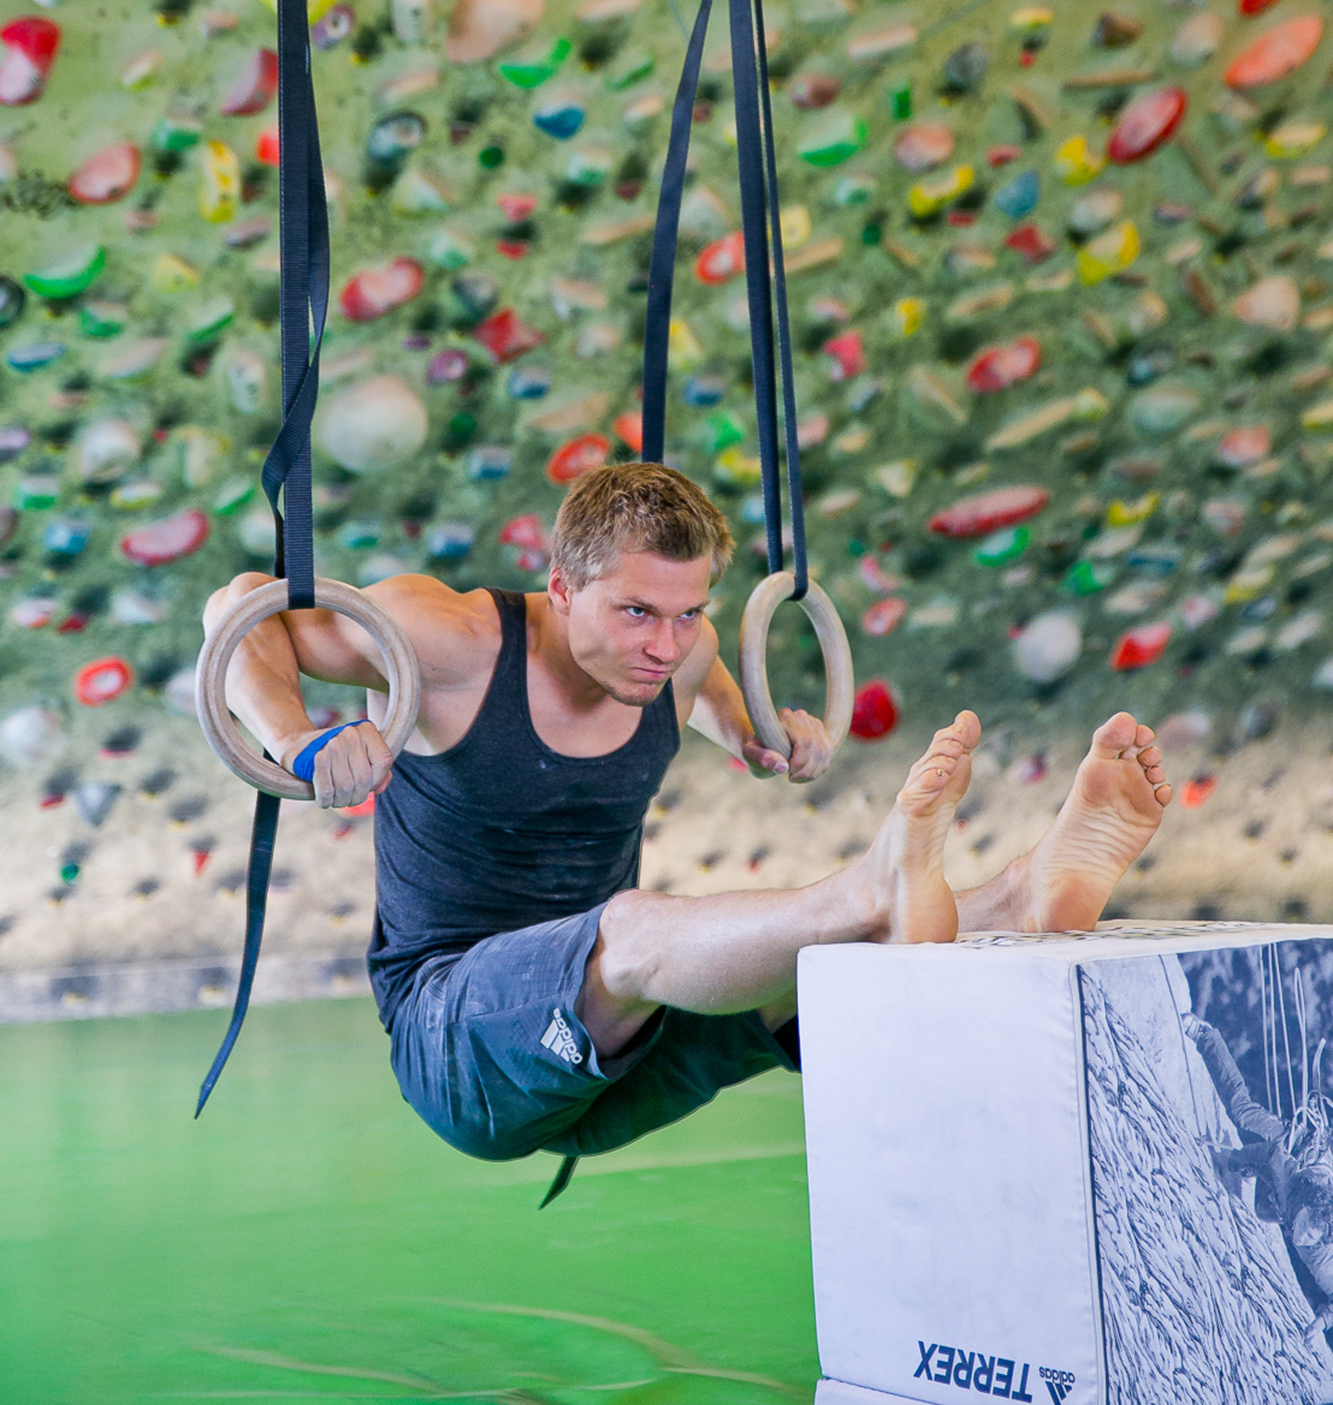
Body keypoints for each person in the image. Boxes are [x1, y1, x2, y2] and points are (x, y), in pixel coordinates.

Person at [203, 462, 1173, 1185]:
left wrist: (759, 727)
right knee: (632, 926)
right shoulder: (451, 640)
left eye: (685, 611)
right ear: (562, 588)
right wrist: (297, 739)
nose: (663, 644)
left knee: (818, 978)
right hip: (461, 1043)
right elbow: (241, 607)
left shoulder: (683, 648)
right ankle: (870, 889)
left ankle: (1017, 896)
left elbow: (707, 679)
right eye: (633, 611)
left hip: (630, 1047)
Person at [1183, 1007, 1333, 1346]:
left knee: (1266, 1211)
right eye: (1305, 1223)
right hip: (1297, 1148)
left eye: (1309, 1234)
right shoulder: (1297, 1186)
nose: (1301, 1234)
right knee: (1242, 1112)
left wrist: (1321, 1322)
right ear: (1307, 1208)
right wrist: (1234, 1159)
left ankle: (1263, 1181)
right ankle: (1207, 1035)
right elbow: (1270, 1153)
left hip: (1299, 1184)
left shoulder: (1326, 1263)